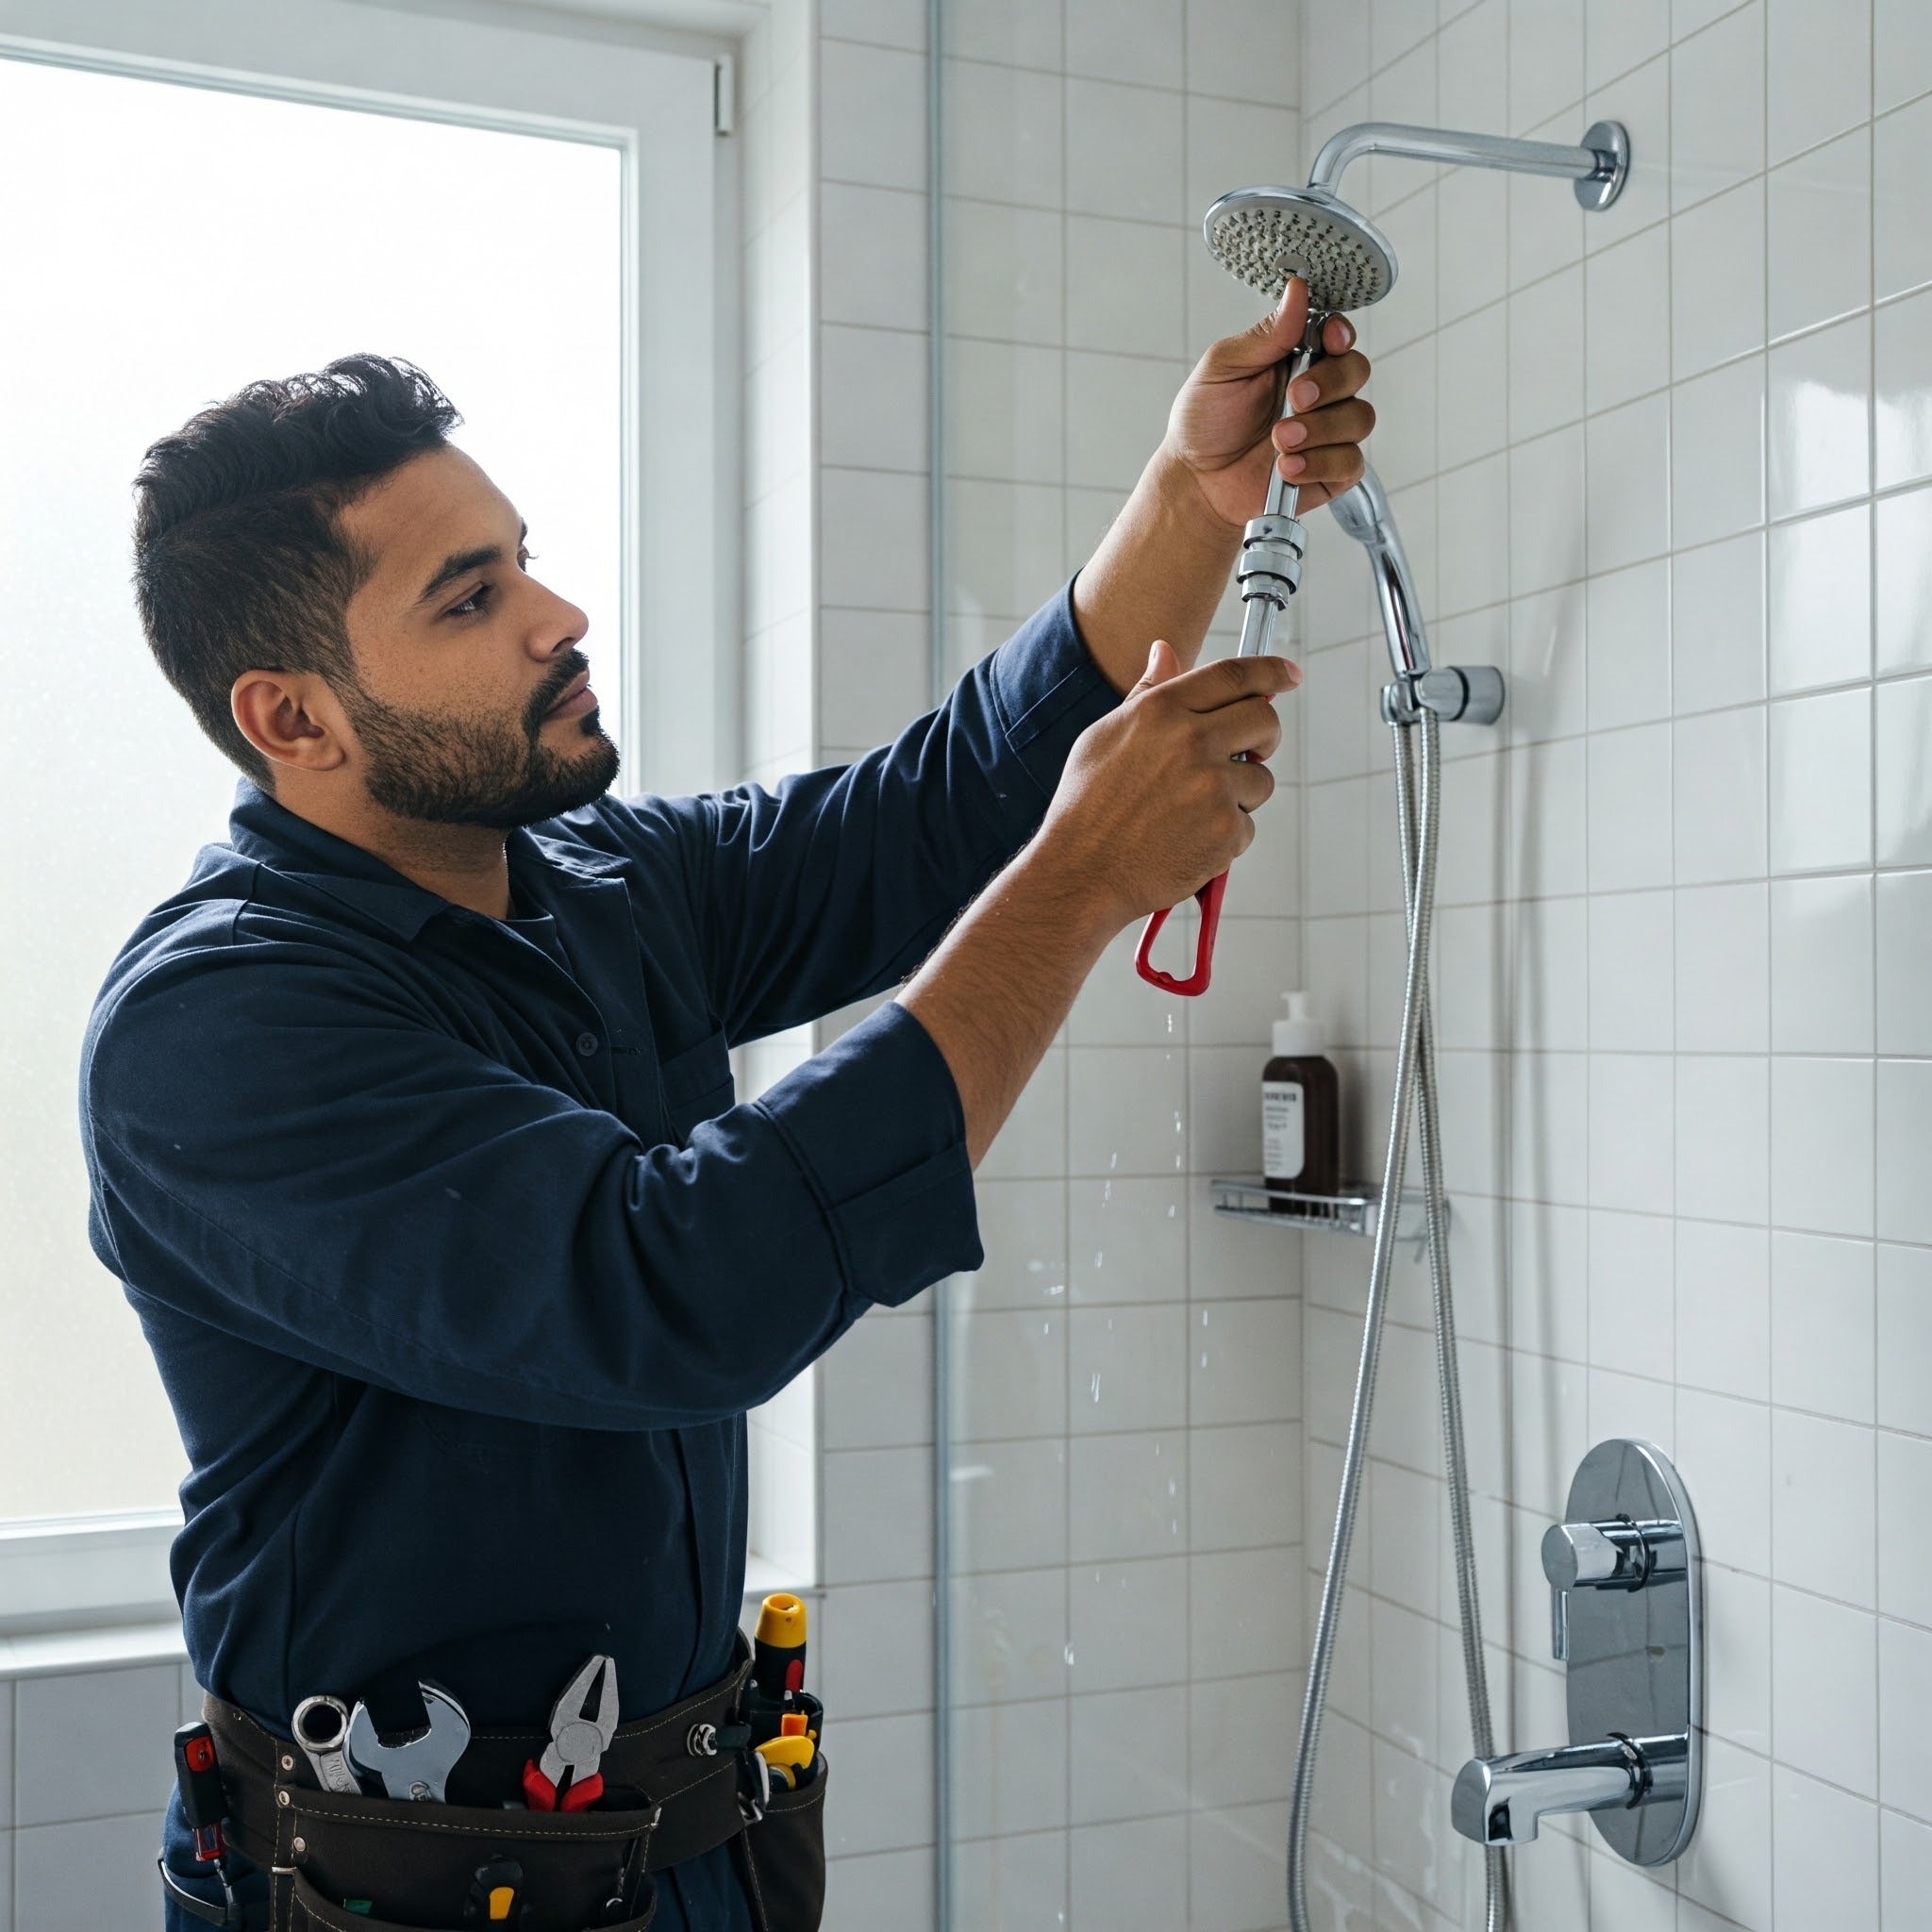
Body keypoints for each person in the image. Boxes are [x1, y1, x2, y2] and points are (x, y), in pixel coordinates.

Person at [81, 277, 1371, 1930]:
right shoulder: (219, 1026)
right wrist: (1078, 885)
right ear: (292, 717)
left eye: (526, 556)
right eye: (473, 600)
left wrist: (1191, 499)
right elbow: (674, 1288)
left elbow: (935, 812)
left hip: (701, 1850)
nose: (560, 614)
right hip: (391, 1898)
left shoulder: (598, 880)